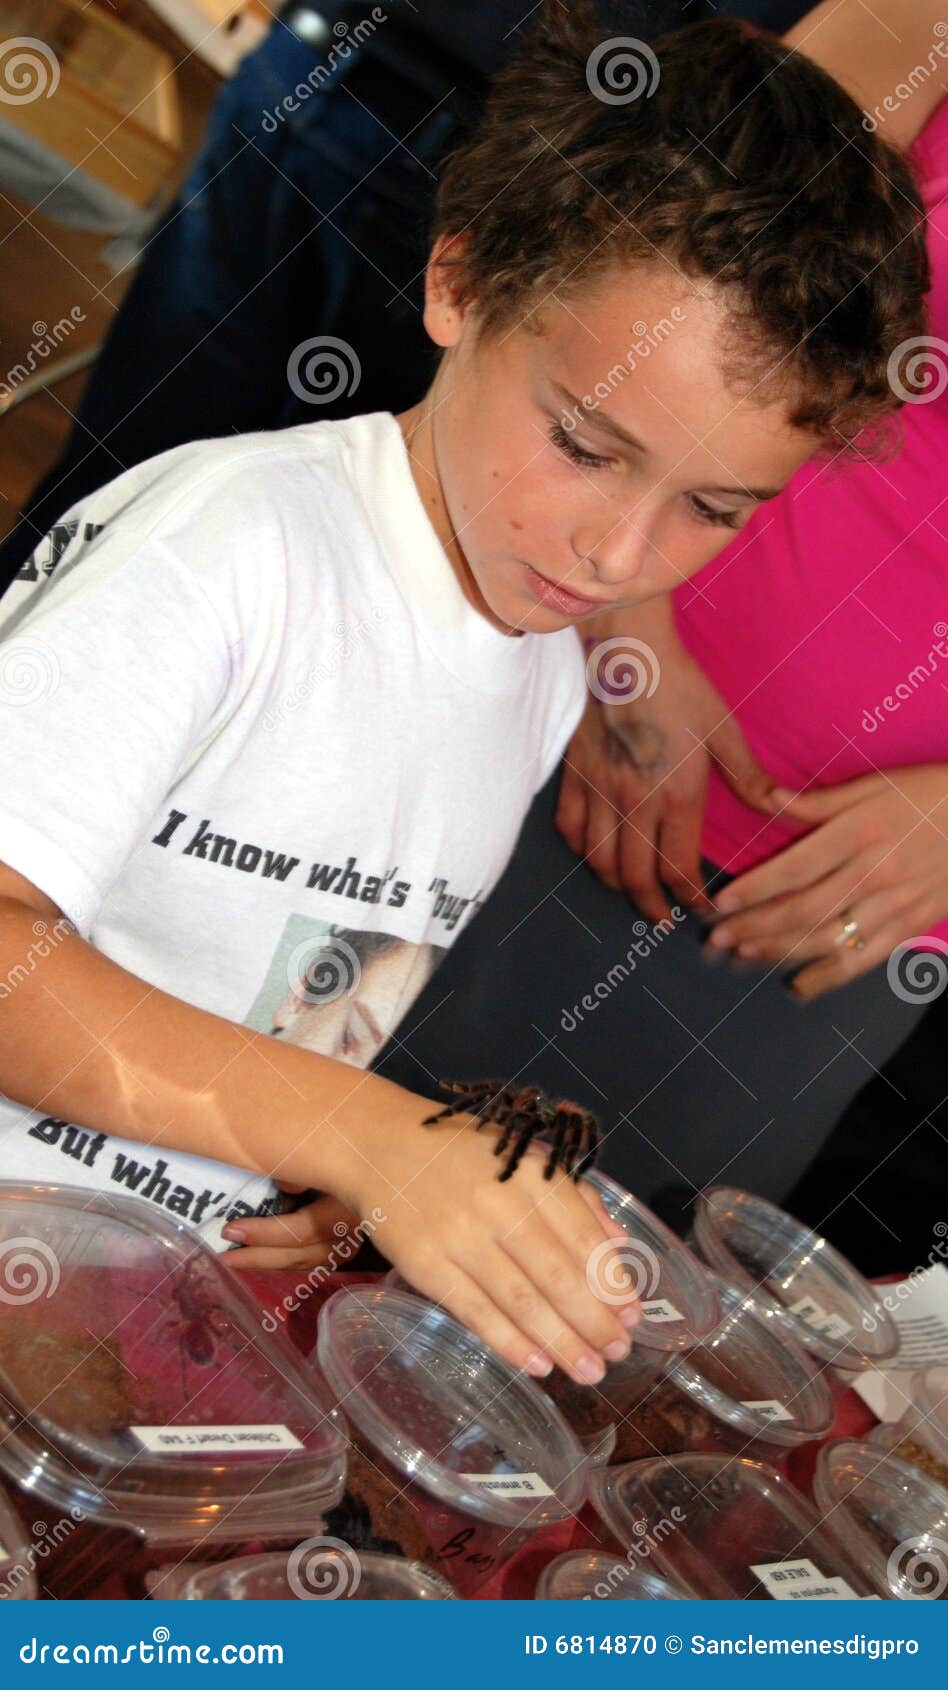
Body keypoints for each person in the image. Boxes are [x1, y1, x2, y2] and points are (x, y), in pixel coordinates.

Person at [0, 7, 928, 1386]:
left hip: (108, 1315)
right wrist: (367, 1136)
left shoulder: (535, 662)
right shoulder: (234, 552)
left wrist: (339, 1164)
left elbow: (286, 1009)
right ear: (460, 279)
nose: (618, 555)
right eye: (586, 444)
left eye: (715, 510)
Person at [377, 7, 948, 1232]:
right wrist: (626, 634)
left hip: (838, 925)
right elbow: (681, 230)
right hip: (557, 698)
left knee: (582, 1289)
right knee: (268, 1160)